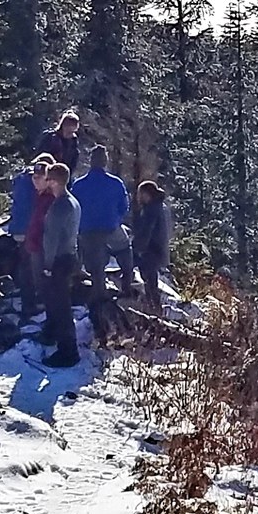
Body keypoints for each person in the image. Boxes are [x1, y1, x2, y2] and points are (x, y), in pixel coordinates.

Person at [71, 144, 133, 305]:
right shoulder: (115, 183)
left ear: (91, 162)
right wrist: (116, 219)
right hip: (111, 227)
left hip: (88, 229)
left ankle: (99, 293)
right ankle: (127, 285)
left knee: (95, 263)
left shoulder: (79, 184)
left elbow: (74, 207)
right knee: (125, 250)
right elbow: (124, 206)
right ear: (105, 161)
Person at [38, 163, 83, 368]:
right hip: (70, 256)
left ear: (54, 181)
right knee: (62, 305)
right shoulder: (73, 202)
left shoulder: (59, 206)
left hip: (59, 260)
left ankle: (68, 351)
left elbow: (51, 238)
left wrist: (47, 264)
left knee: (61, 307)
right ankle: (57, 339)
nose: (46, 182)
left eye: (48, 178)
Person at [6, 154, 54, 305]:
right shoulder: (39, 184)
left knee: (24, 264)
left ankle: (27, 298)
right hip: (32, 230)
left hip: (18, 228)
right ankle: (37, 299)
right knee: (35, 266)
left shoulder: (21, 179)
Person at [129, 180, 174, 311]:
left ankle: (155, 310)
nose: (138, 197)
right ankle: (154, 309)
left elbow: (146, 231)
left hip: (151, 251)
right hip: (158, 250)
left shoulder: (151, 210)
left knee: (150, 283)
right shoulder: (160, 207)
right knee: (151, 282)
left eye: (140, 194)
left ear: (146, 194)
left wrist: (137, 248)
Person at [33, 111, 83, 175]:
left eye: (73, 131)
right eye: (69, 131)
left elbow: (73, 162)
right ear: (63, 126)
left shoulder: (73, 142)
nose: (71, 134)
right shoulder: (50, 138)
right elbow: (40, 156)